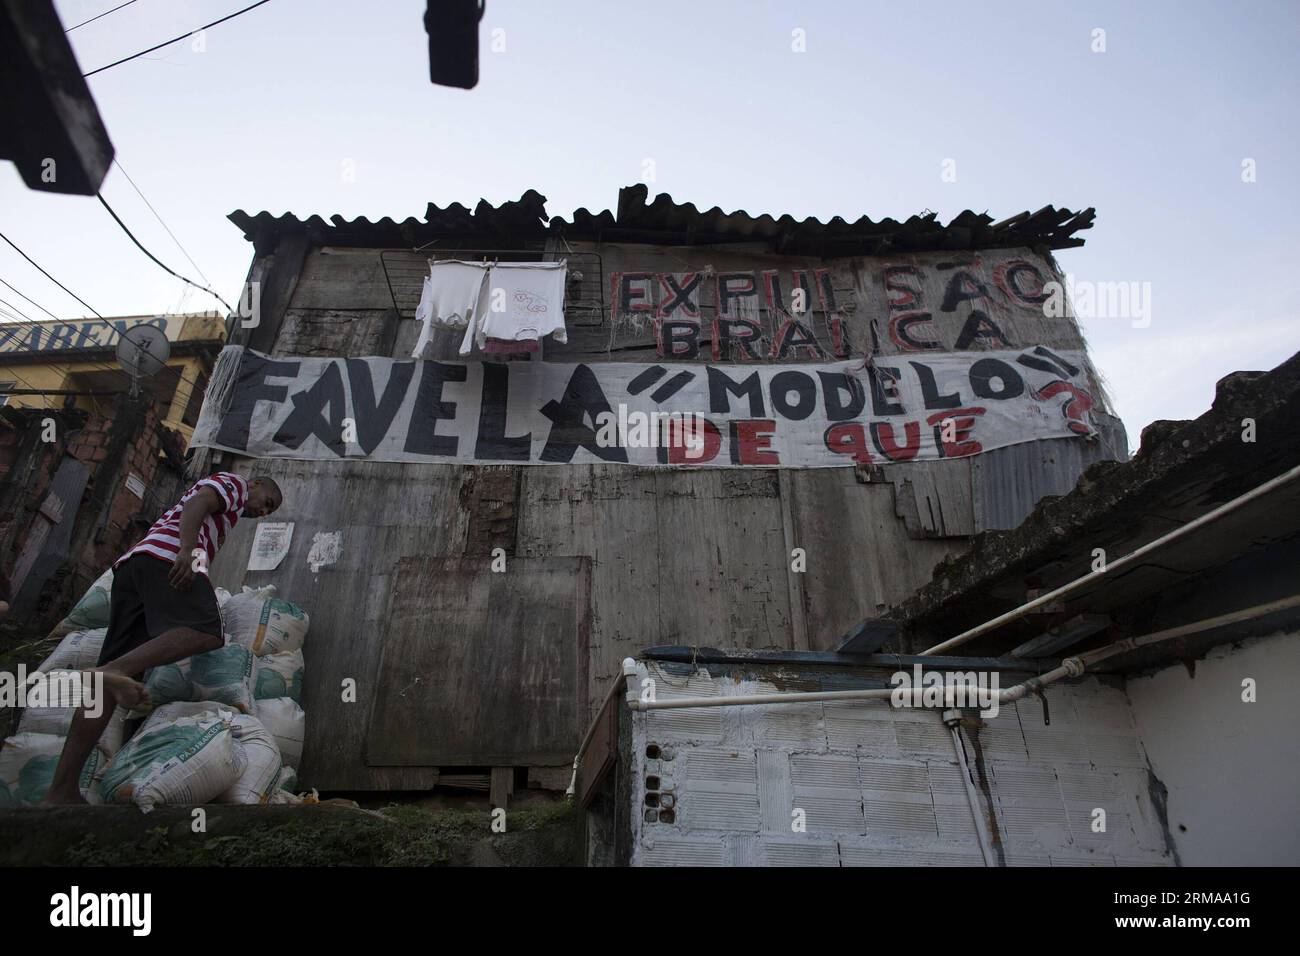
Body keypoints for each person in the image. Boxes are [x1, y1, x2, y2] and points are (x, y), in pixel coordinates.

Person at [40, 471, 283, 805]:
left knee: (106, 693)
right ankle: (114, 669)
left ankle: (60, 791)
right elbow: (200, 502)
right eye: (267, 503)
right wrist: (186, 550)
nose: (263, 512)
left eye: (269, 511)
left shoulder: (228, 513)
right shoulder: (235, 485)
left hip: (134, 569)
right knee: (207, 631)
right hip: (166, 559)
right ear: (255, 484)